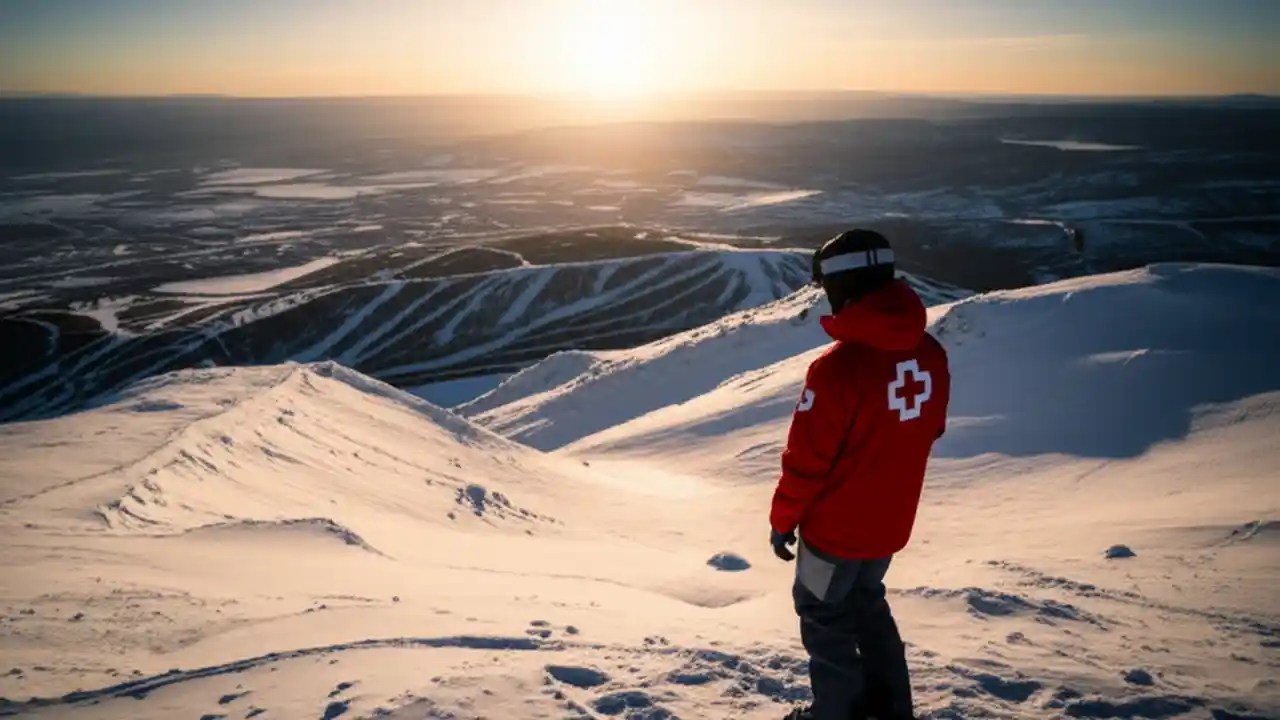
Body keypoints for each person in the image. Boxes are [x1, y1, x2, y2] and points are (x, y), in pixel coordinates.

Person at [770, 229, 950, 720]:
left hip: (834, 533)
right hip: (889, 527)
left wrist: (783, 519)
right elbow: (929, 431)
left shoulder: (837, 371)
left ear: (841, 289)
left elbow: (806, 463)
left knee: (824, 616)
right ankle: (892, 709)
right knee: (868, 605)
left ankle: (834, 714)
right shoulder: (931, 355)